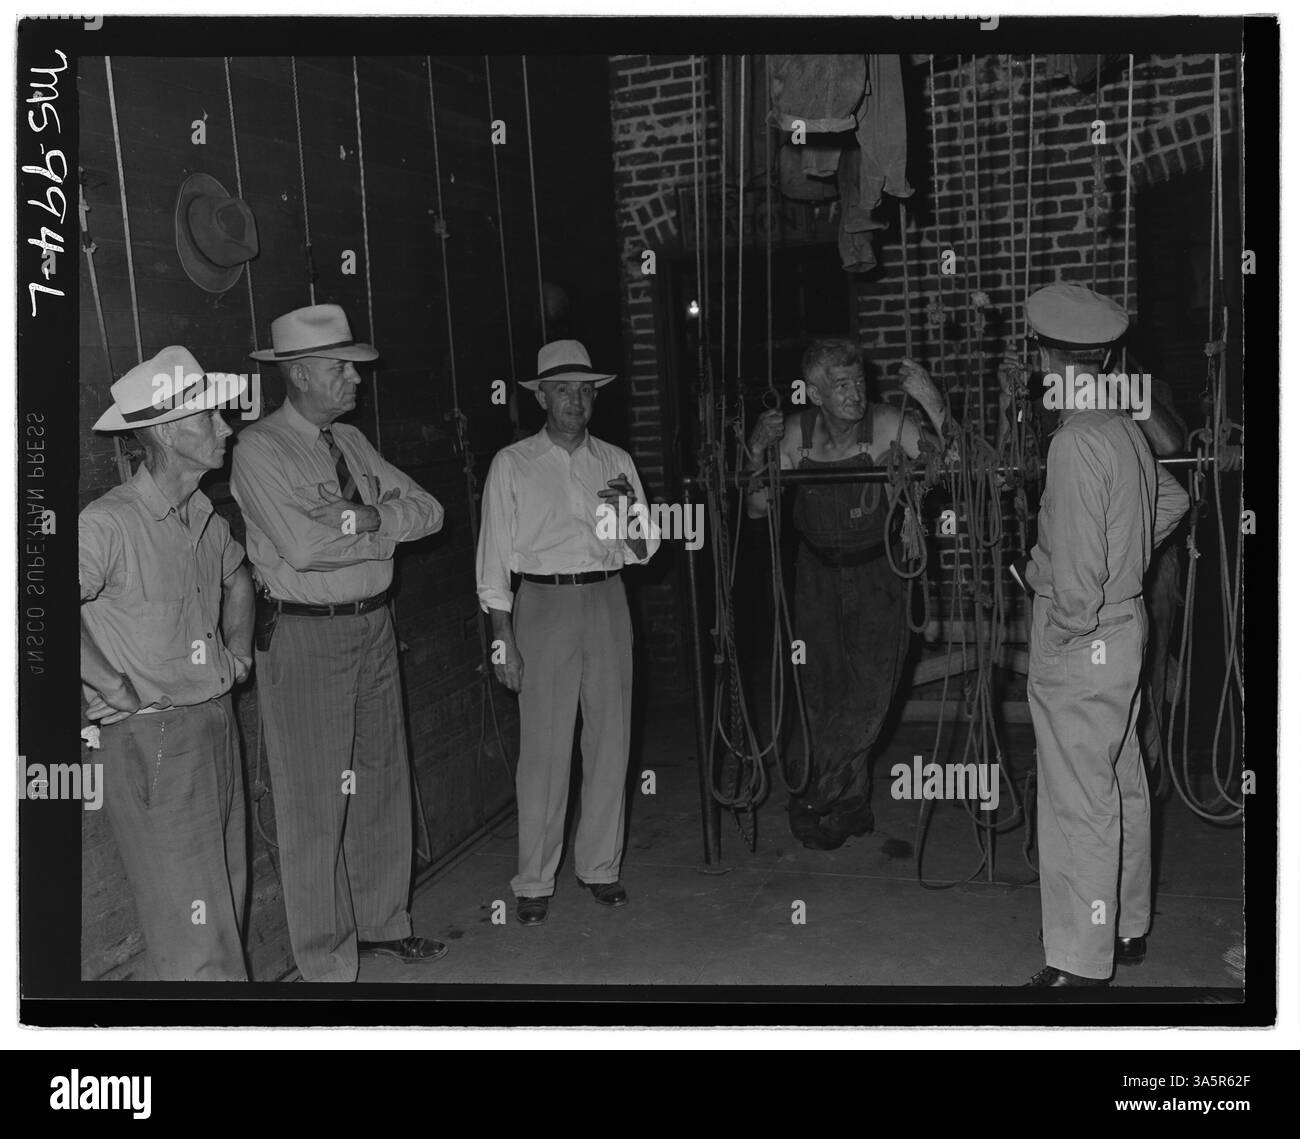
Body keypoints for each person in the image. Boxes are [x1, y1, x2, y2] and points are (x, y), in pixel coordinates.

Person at [230, 304, 446, 982]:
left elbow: (430, 511)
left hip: (374, 623)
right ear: (296, 374)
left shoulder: (351, 442)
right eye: (339, 368)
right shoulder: (258, 451)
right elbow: (300, 547)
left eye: (353, 366)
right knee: (315, 799)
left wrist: (365, 514)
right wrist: (380, 527)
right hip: (304, 634)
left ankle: (383, 924)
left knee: (382, 777)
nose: (354, 378)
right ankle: (324, 960)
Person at [1020, 284, 1189, 987]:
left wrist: (1064, 619)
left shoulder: (1073, 440)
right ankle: (1124, 926)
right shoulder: (1123, 426)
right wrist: (1128, 560)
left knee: (1076, 799)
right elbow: (1175, 498)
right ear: (1108, 354)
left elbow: (1080, 583)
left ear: (1046, 354)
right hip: (1126, 626)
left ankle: (1077, 963)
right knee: (1120, 781)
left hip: (1083, 634)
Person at [80, 346, 253, 980]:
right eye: (210, 417)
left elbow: (239, 580)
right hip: (150, 739)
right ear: (161, 431)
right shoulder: (109, 523)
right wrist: (113, 686)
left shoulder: (202, 512)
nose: (227, 427)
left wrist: (236, 654)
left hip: (213, 723)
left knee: (224, 905)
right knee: (194, 934)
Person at [476, 339, 660, 926]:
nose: (576, 400)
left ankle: (600, 868)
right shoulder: (512, 463)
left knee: (612, 739)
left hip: (607, 597)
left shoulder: (616, 460)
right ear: (541, 397)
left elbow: (643, 550)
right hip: (543, 604)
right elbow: (493, 561)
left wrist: (630, 510)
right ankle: (534, 879)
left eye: (585, 390)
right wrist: (503, 638)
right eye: (563, 390)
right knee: (545, 749)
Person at [745, 338, 950, 850]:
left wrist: (932, 401)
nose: (856, 393)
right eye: (841, 386)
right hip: (815, 577)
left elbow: (951, 464)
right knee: (819, 693)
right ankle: (852, 806)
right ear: (814, 392)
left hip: (880, 575)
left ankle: (813, 793)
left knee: (868, 695)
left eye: (859, 381)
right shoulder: (796, 435)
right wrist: (754, 452)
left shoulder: (885, 425)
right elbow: (757, 508)